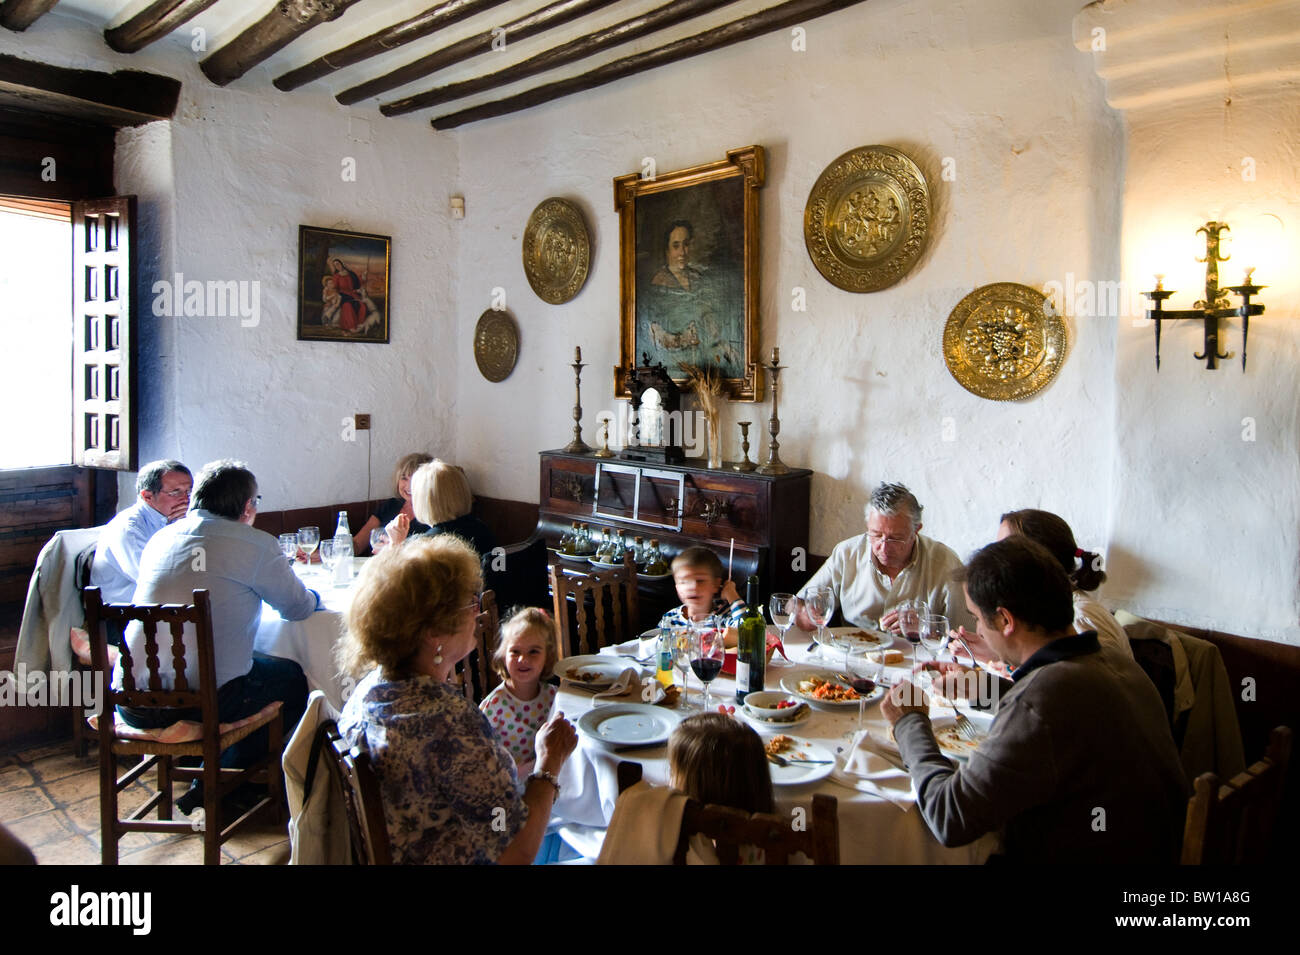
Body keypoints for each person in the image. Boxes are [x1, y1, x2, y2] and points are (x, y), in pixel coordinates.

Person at [880, 536, 1187, 863]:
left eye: (977, 618)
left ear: (1005, 620)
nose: (978, 632)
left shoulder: (1043, 697)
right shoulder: (1118, 664)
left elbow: (949, 819)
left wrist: (909, 721)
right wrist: (984, 687)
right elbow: (1065, 713)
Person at [335, 535, 577, 865]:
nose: (477, 615)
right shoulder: (450, 725)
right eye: (470, 604)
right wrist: (548, 762)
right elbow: (515, 851)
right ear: (434, 632)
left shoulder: (367, 692)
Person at [116, 460, 318, 814]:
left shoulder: (160, 537)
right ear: (248, 506)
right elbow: (297, 608)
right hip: (204, 703)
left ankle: (208, 771)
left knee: (247, 667)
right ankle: (221, 779)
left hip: (132, 700)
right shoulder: (256, 544)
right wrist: (316, 595)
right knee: (291, 679)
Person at [795, 482, 972, 634]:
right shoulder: (847, 553)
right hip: (853, 656)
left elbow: (965, 634)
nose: (884, 547)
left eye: (895, 538)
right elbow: (796, 604)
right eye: (875, 534)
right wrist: (803, 614)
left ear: (916, 530)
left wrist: (927, 628)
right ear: (867, 526)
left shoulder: (945, 564)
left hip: (918, 661)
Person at [91, 459, 191, 604]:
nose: (186, 499)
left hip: (164, 603)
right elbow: (152, 578)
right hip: (126, 613)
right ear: (147, 496)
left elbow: (199, 564)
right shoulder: (129, 529)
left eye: (189, 491)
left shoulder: (181, 519)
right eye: (175, 492)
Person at [479, 607, 559, 775]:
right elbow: (479, 755)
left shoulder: (554, 696)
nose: (523, 659)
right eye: (515, 651)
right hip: (508, 786)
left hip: (548, 778)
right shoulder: (494, 705)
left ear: (548, 656)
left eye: (533, 651)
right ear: (503, 656)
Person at [385, 459, 497, 558]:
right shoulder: (482, 528)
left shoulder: (425, 545)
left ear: (423, 501)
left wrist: (395, 545)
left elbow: (393, 580)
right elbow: (498, 568)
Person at [351, 452, 432, 554]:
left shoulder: (433, 514)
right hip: (373, 566)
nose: (408, 486)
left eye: (415, 480)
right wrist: (339, 550)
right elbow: (358, 544)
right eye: (404, 478)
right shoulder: (390, 505)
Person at [658, 545, 746, 630]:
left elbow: (748, 631)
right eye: (684, 581)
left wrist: (731, 594)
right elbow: (652, 643)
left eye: (700, 580)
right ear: (677, 588)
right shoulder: (670, 619)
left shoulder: (724, 616)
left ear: (715, 584)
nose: (692, 587)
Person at [329, 257, 365, 332]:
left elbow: (358, 283)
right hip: (342, 295)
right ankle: (351, 326)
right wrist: (336, 296)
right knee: (347, 306)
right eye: (335, 265)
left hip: (353, 294)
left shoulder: (351, 273)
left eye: (338, 264)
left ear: (342, 264)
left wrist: (363, 277)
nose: (337, 266)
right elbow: (335, 288)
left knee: (361, 305)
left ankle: (360, 325)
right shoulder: (336, 276)